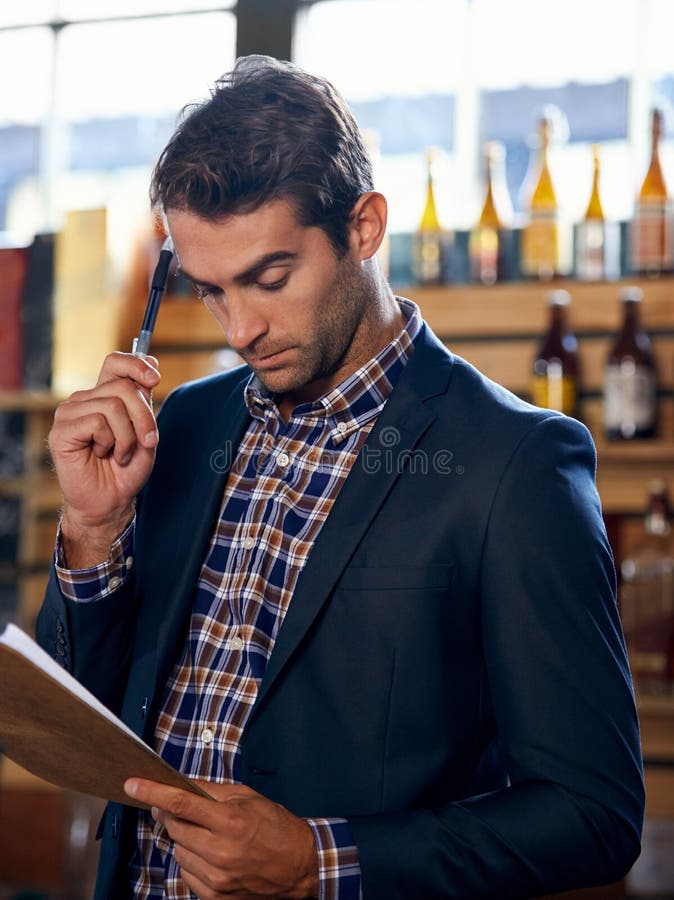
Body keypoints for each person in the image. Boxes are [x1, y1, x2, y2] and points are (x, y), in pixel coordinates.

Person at [38, 55, 644, 900]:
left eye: (271, 277)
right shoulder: (182, 427)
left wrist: (315, 862)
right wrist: (94, 530)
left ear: (364, 227)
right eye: (212, 290)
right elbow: (91, 721)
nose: (242, 326)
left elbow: (593, 816)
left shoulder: (517, 465)